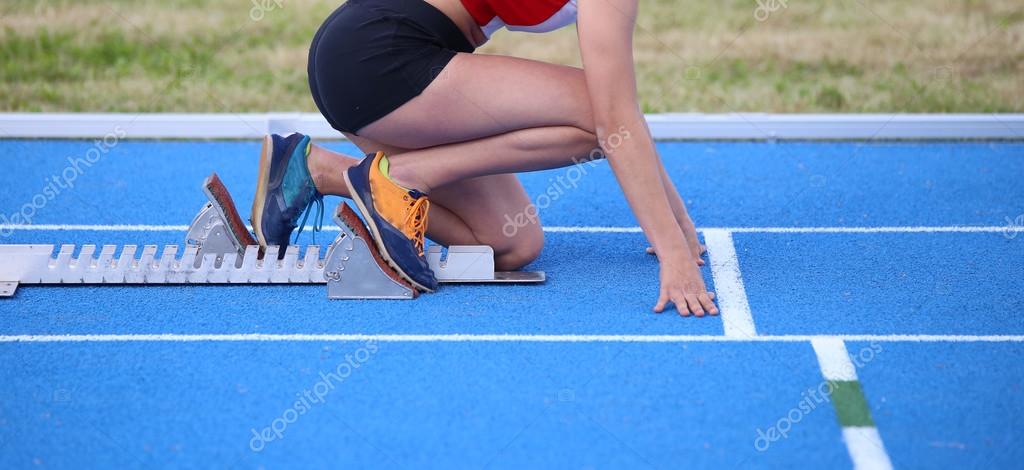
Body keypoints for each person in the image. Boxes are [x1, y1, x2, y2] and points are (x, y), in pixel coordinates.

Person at [249, 0, 718, 316]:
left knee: (511, 244)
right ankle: (405, 175)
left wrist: (677, 224)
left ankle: (318, 171)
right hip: (378, 52)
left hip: (368, 64)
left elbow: (621, 114)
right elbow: (615, 116)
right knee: (596, 110)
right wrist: (674, 253)